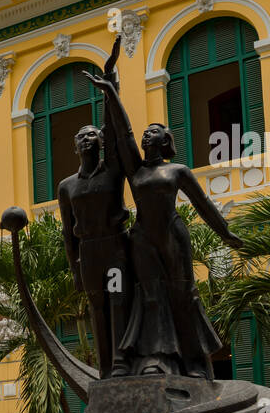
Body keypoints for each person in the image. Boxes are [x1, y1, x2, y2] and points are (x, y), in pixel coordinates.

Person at [85, 65, 244, 379]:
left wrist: (226, 233)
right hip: (142, 239)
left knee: (183, 297)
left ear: (165, 140)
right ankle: (159, 360)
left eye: (154, 131)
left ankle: (195, 363)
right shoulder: (136, 170)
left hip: (172, 236)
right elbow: (124, 132)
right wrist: (111, 93)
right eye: (146, 132)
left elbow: (204, 205)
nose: (147, 134)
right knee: (152, 298)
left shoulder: (177, 171)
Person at [60, 37, 133, 376]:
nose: (88, 139)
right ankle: (106, 367)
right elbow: (66, 233)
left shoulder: (113, 171)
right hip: (88, 252)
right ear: (75, 146)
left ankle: (121, 362)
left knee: (119, 301)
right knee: (97, 308)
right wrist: (74, 270)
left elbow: (118, 130)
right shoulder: (67, 187)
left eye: (93, 135)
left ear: (101, 142)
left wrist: (110, 86)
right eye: (82, 137)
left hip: (115, 244)